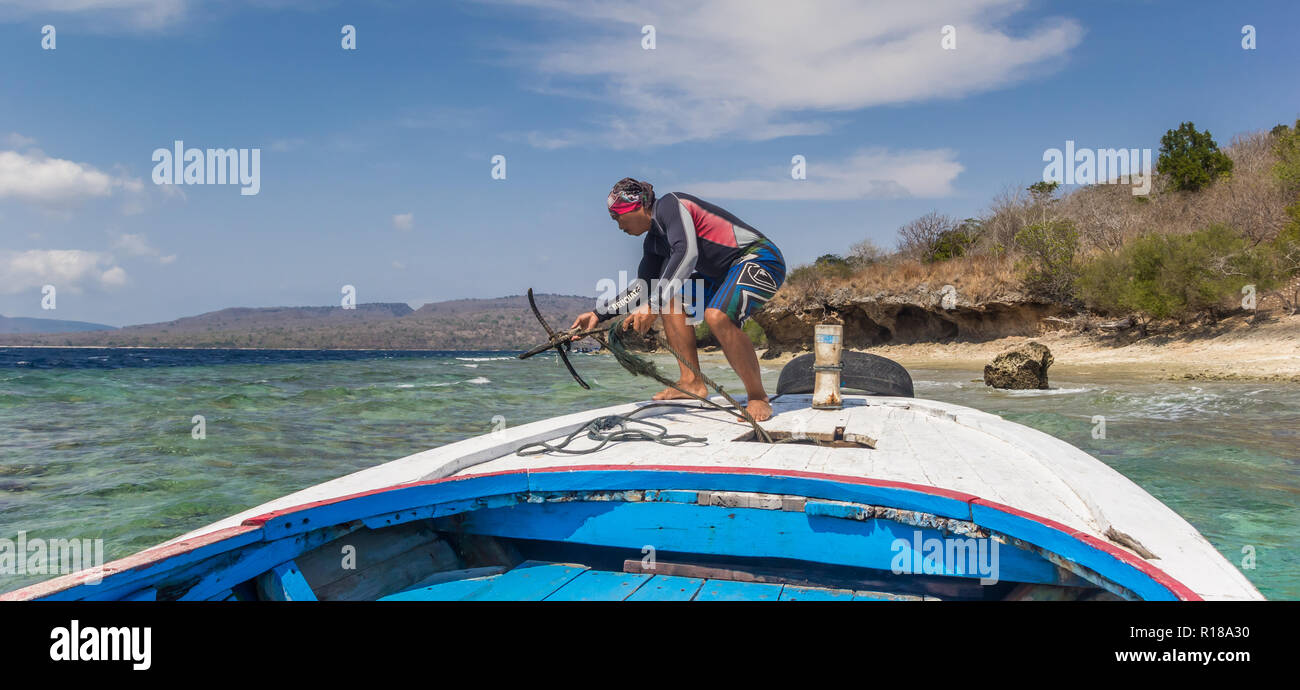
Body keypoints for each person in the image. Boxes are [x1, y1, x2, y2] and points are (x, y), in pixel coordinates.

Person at [569, 178, 786, 422]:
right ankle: (691, 382)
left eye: (617, 217)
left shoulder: (671, 205)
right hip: (720, 276)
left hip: (759, 259)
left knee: (717, 316)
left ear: (636, 206)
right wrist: (598, 314)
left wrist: (653, 304)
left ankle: (757, 396)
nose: (618, 225)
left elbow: (687, 252)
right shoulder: (652, 243)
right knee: (668, 297)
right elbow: (643, 287)